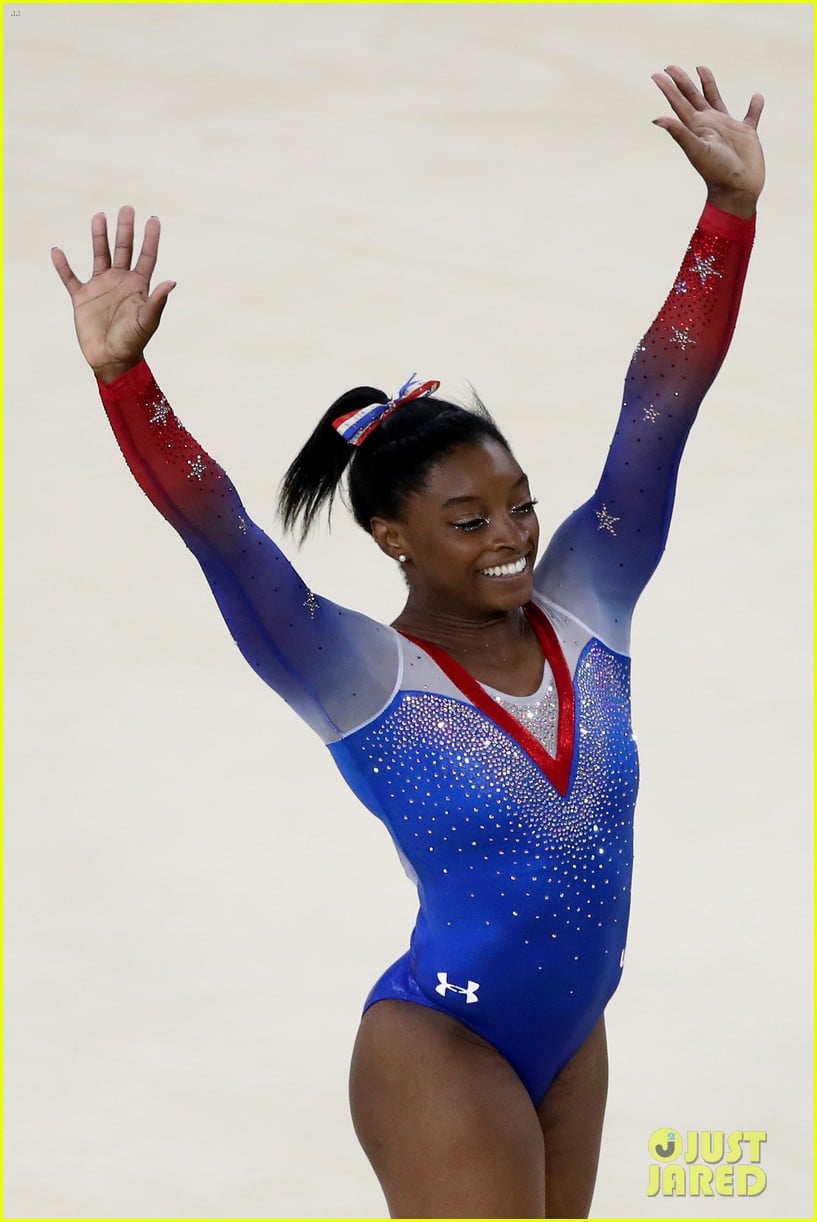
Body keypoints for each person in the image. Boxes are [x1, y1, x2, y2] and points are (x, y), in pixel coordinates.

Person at [52, 64, 764, 1220]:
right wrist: (127, 381)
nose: (511, 539)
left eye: (520, 505)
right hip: (438, 1044)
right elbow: (222, 535)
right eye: (468, 522)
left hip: (571, 1032)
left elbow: (659, 403)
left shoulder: (591, 603)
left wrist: (727, 215)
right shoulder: (355, 674)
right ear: (391, 536)